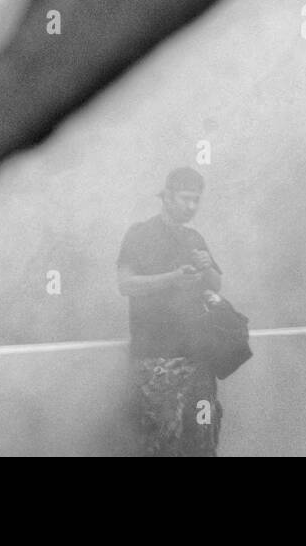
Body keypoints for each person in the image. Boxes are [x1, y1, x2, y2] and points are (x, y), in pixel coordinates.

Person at [116, 167, 222, 456]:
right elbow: (125, 284)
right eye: (186, 198)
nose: (191, 206)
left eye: (196, 200)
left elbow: (217, 284)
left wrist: (207, 267)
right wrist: (173, 278)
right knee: (161, 446)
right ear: (167, 197)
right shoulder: (140, 234)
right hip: (156, 361)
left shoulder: (195, 238)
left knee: (202, 442)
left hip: (197, 359)